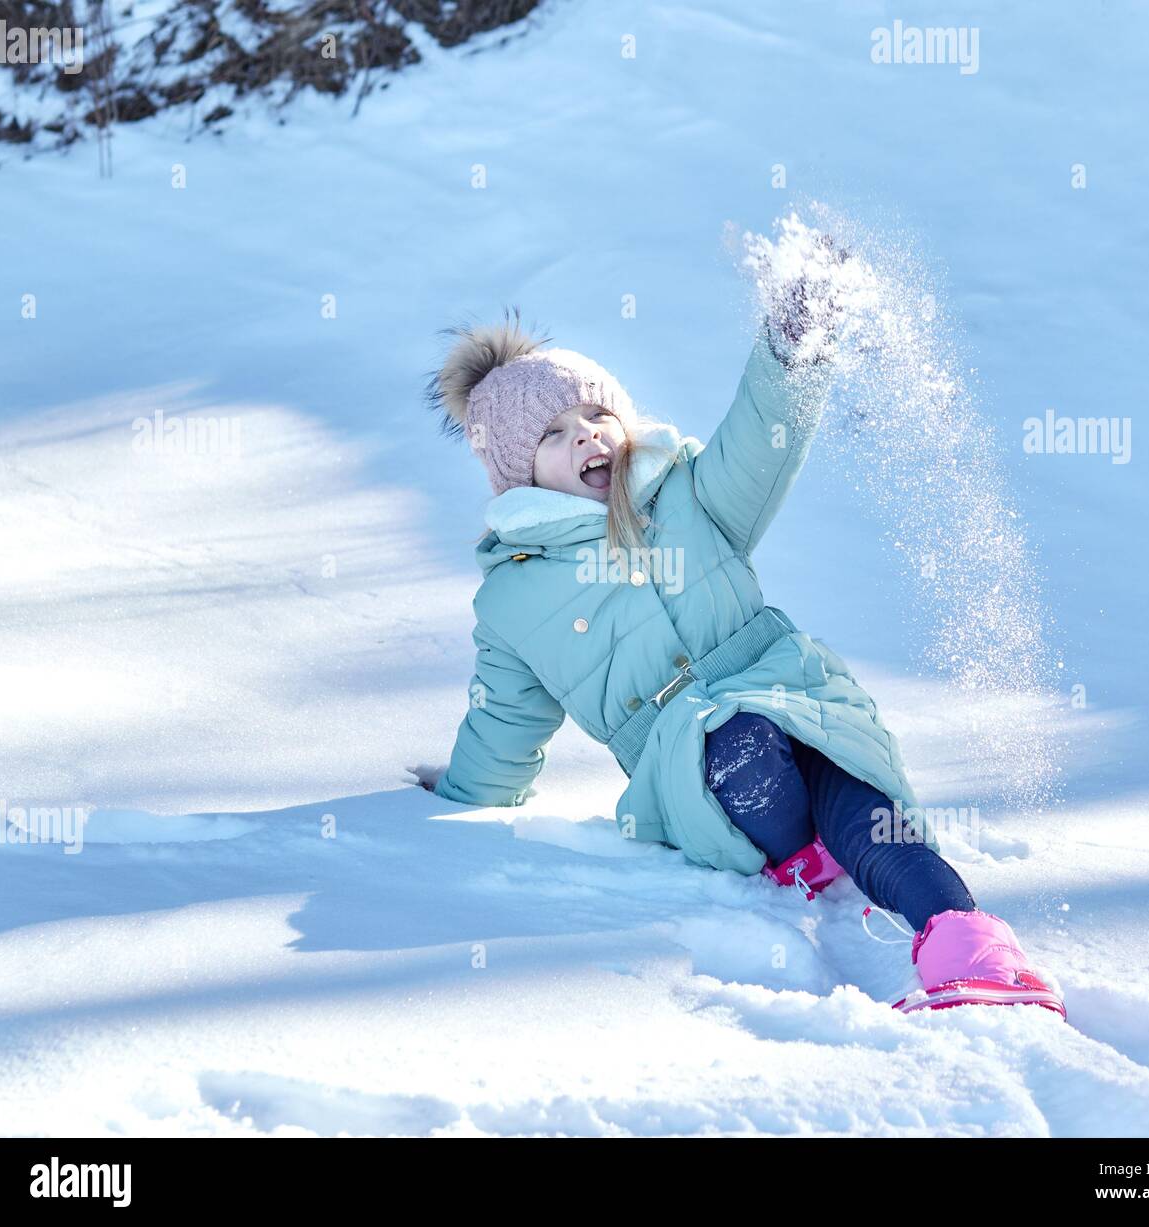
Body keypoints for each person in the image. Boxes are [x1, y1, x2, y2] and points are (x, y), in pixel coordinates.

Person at [410, 227, 1066, 1019]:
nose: (586, 433)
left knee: (866, 808)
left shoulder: (686, 494)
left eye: (594, 412)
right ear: (519, 472)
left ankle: (976, 950)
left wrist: (793, 346)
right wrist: (453, 804)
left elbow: (761, 441)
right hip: (691, 769)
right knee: (738, 739)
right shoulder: (513, 598)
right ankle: (797, 854)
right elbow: (504, 726)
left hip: (795, 697)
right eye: (554, 432)